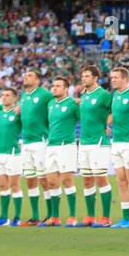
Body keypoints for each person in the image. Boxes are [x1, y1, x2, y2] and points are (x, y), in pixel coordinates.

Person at [76, 64, 114, 227]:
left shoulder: (104, 95)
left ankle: (106, 217)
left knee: (101, 179)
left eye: (87, 76)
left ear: (95, 78)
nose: (84, 79)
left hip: (98, 142)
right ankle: (90, 216)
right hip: (84, 141)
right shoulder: (83, 95)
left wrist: (108, 125)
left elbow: (115, 111)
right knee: (86, 180)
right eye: (82, 76)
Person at [44, 75, 81, 226]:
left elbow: (83, 118)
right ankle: (55, 217)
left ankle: (72, 216)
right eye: (54, 85)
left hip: (66, 145)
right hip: (51, 145)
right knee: (52, 182)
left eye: (58, 86)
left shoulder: (72, 104)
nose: (54, 88)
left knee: (67, 180)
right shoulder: (51, 104)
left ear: (66, 89)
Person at [109, 66, 129, 227]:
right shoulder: (115, 95)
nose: (113, 79)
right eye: (112, 77)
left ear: (125, 79)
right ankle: (125, 217)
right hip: (116, 141)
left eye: (116, 77)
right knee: (121, 181)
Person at [17, 69, 51, 227]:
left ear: (37, 80)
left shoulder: (44, 94)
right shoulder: (24, 97)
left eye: (29, 75)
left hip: (41, 141)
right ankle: (35, 217)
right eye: (25, 75)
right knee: (30, 180)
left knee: (44, 180)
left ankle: (51, 215)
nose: (26, 77)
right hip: (26, 142)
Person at [0, 88, 23, 226]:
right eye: (2, 95)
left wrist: (21, 107)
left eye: (8, 95)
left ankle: (17, 217)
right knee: (3, 186)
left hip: (13, 154)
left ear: (15, 98)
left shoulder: (17, 112)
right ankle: (3, 217)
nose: (4, 97)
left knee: (15, 185)